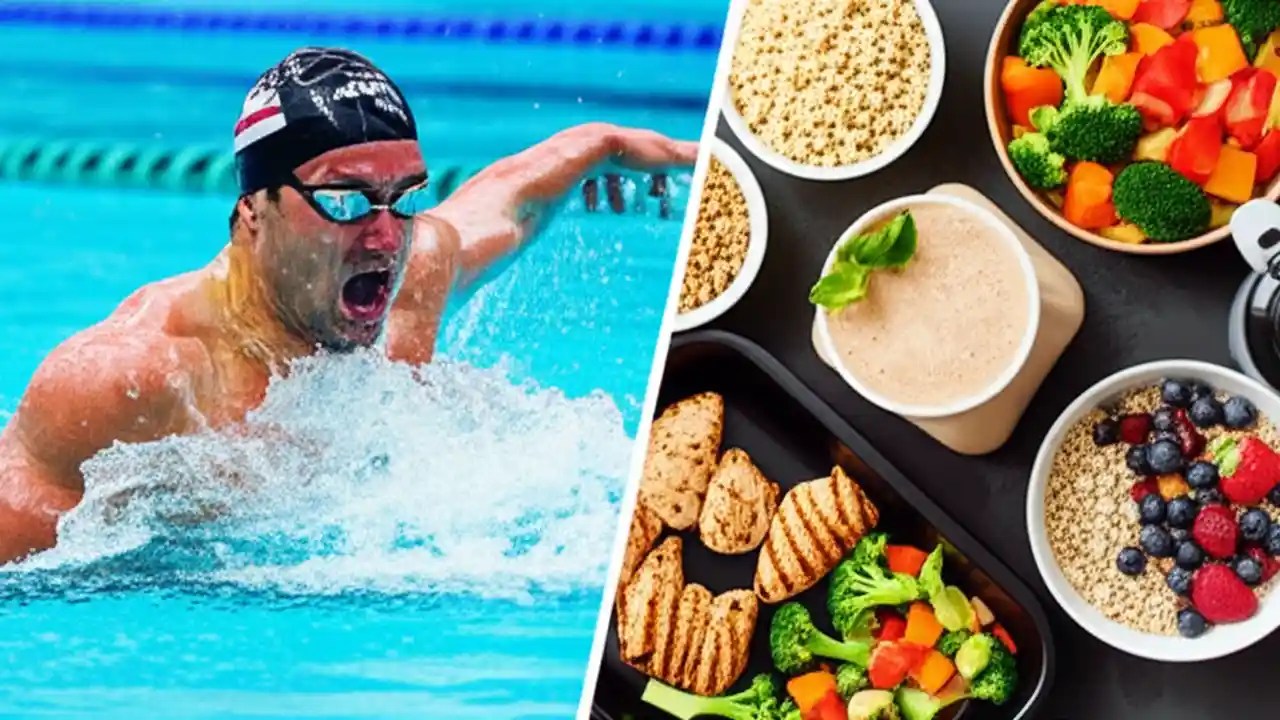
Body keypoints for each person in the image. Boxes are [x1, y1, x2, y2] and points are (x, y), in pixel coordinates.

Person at [0, 47, 697, 564]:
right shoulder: (134, 381)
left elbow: (514, 198)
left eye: (403, 196)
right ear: (253, 211)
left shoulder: (409, 277)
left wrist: (604, 145)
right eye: (345, 199)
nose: (386, 236)